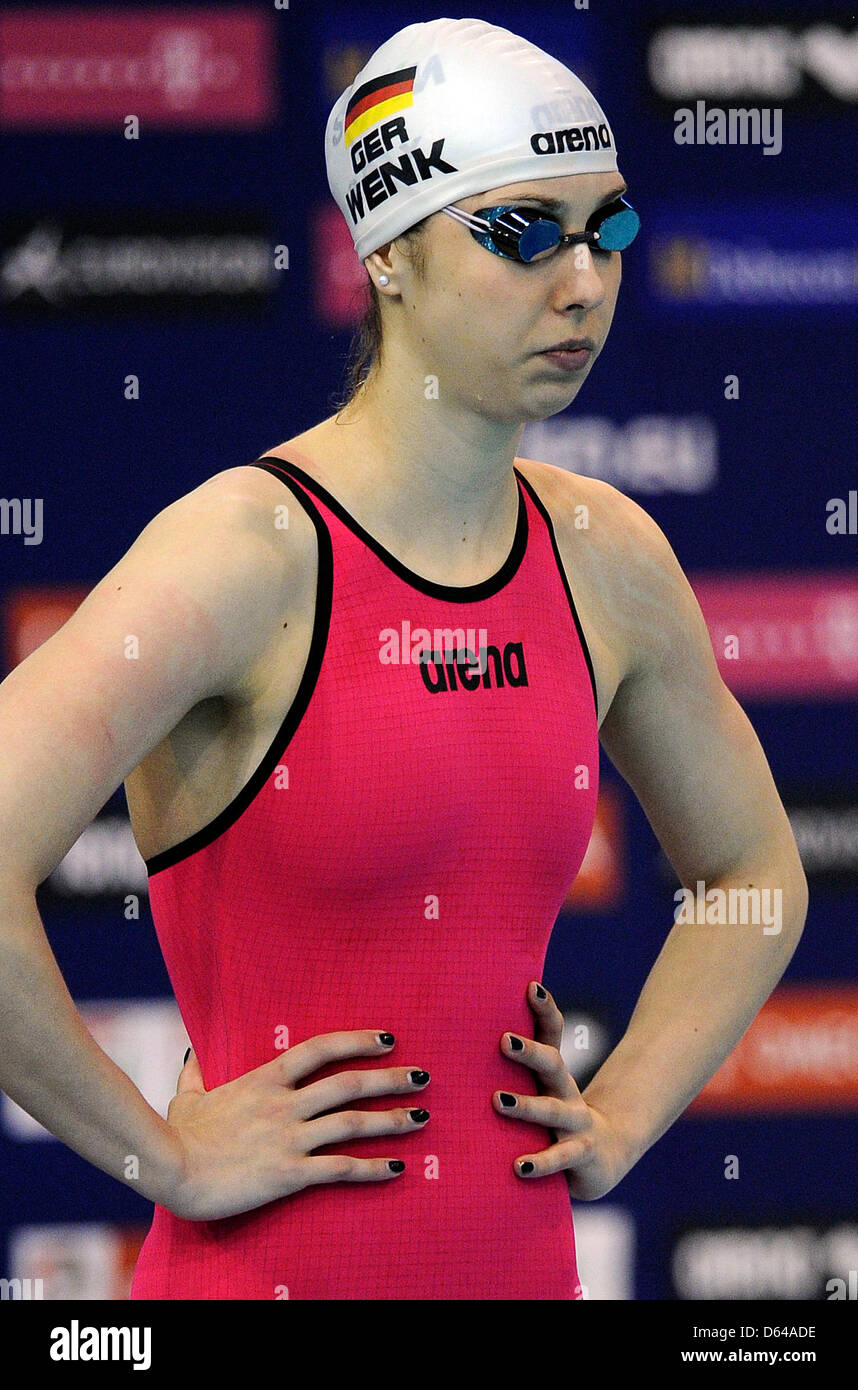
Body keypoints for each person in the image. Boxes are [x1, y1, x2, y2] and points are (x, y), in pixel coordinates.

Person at [0, 18, 806, 1301]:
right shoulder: (243, 556)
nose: (583, 281)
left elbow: (755, 869)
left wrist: (627, 1107)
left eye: (603, 227)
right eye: (520, 233)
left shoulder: (601, 553)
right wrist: (164, 1158)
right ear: (385, 254)